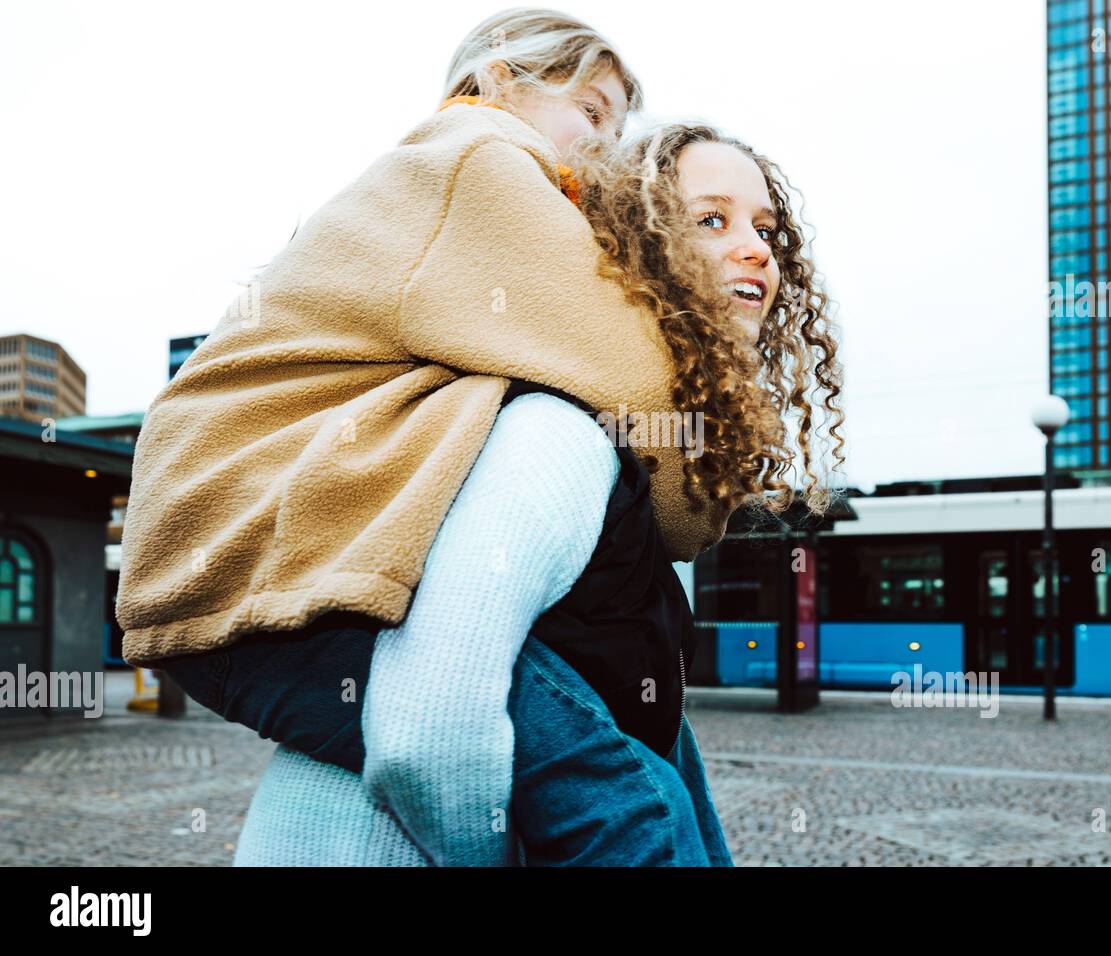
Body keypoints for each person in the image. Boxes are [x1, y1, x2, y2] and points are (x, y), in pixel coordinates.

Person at [116, 9, 845, 864]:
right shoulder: (475, 157)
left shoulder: (457, 220)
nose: (605, 144)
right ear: (499, 80)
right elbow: (624, 365)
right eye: (594, 112)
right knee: (630, 811)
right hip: (266, 566)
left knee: (658, 800)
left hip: (262, 567)